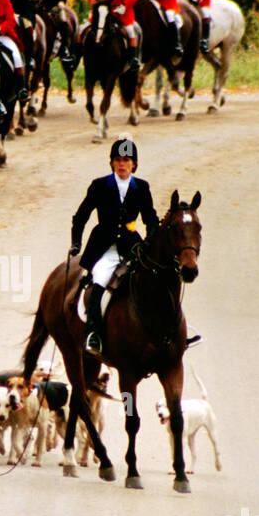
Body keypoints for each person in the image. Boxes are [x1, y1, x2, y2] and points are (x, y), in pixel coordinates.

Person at [70, 138, 159, 357]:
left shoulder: (142, 187)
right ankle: (93, 334)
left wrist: (149, 242)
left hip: (132, 246)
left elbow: (151, 219)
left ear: (134, 164)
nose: (122, 164)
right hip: (104, 247)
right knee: (99, 280)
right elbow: (82, 215)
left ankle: (163, 332)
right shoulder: (100, 185)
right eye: (118, 160)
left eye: (126, 161)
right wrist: (76, 242)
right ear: (111, 163)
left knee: (154, 280)